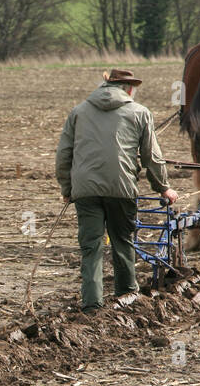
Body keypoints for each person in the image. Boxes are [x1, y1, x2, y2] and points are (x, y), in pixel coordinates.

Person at [55, 69, 176, 310]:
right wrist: (164, 188)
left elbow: (63, 155)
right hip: (121, 189)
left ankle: (91, 305)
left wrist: (67, 189)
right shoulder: (140, 113)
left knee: (91, 246)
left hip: (85, 191)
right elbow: (151, 157)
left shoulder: (78, 112)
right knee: (122, 241)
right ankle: (127, 296)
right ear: (128, 88)